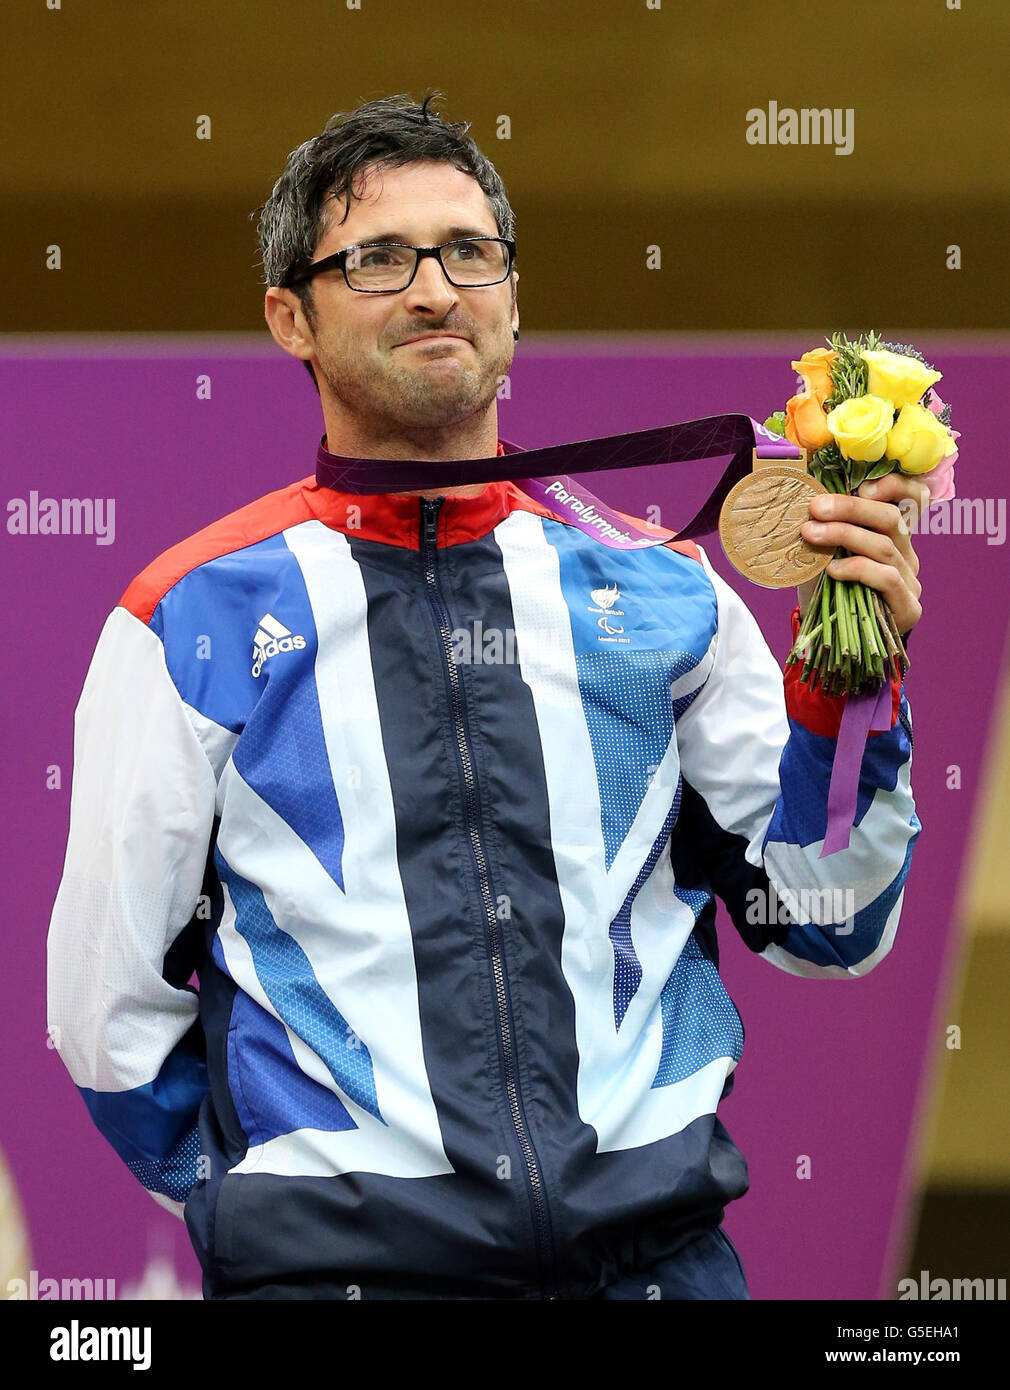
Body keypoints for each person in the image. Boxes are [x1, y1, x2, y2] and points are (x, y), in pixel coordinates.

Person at [46, 92, 925, 1301]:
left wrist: (852, 684)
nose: (432, 289)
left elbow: (830, 919)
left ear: (513, 301)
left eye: (468, 253)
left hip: (655, 1273)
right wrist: (270, 1205)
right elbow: (105, 1008)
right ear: (287, 317)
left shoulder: (663, 588)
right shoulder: (184, 619)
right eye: (377, 259)